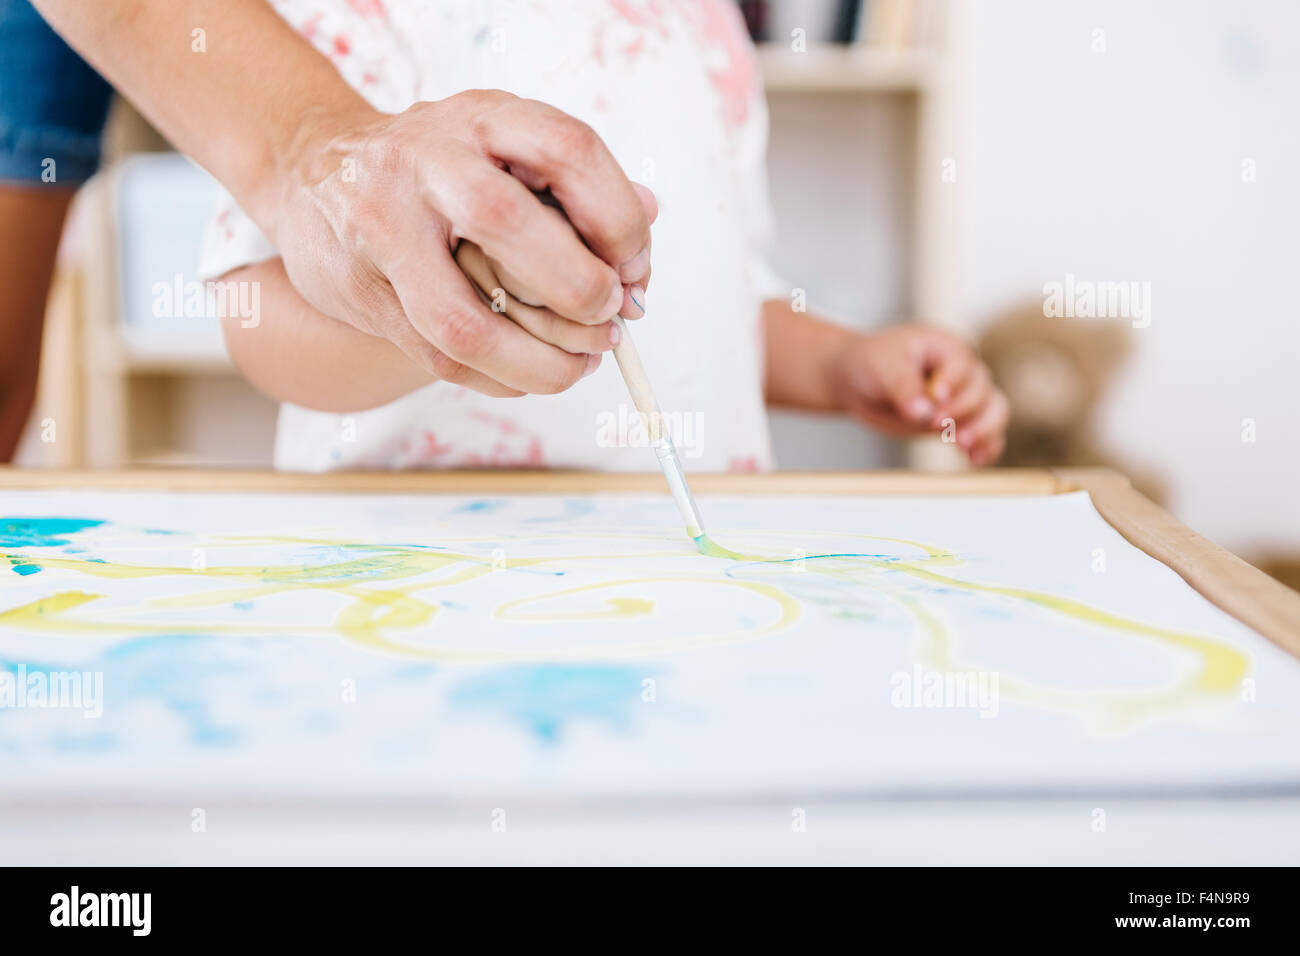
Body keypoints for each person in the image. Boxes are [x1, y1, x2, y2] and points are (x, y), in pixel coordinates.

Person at [25, 0, 1009, 472]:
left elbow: (712, 301)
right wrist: (442, 305)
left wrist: (845, 364)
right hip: (424, 580)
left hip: (675, 573)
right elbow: (254, 312)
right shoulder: (346, 18)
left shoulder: (703, 33)